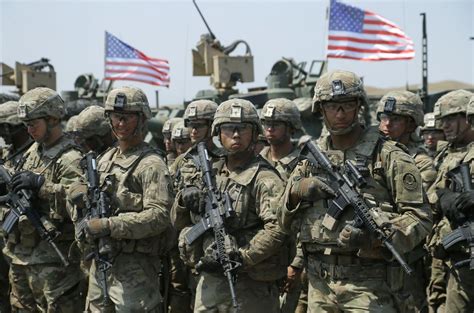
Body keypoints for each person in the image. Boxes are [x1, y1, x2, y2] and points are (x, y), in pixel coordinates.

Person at [279, 70, 433, 312]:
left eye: (347, 105)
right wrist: (297, 191)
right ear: (321, 110)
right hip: (319, 282)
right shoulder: (309, 158)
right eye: (332, 106)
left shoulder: (389, 154)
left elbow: (420, 219)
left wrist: (377, 237)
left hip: (370, 283)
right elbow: (283, 221)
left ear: (359, 106)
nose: (340, 114)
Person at [174, 99, 288, 312]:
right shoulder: (208, 173)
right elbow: (178, 223)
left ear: (255, 134)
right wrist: (184, 200)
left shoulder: (265, 178)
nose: (235, 135)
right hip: (210, 281)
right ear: (217, 134)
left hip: (251, 285)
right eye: (228, 128)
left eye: (243, 128)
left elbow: (277, 229)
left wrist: (242, 257)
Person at [2, 87, 85, 312]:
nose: (29, 131)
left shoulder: (70, 158)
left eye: (34, 124)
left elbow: (80, 206)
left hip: (54, 263)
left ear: (53, 118)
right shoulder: (30, 153)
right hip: (21, 258)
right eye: (26, 125)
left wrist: (41, 186)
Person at [427, 90, 474, 313]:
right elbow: (430, 196)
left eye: (451, 119)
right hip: (448, 248)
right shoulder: (445, 153)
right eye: (443, 120)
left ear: (468, 118)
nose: (445, 126)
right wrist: (442, 196)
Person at [259, 98, 306, 313]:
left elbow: (308, 221)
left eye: (276, 123)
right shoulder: (255, 163)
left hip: (294, 259)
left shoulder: (304, 166)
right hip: (260, 260)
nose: (269, 128)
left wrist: (296, 264)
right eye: (266, 122)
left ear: (290, 127)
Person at [0, 101, 34, 313]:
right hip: (8, 238)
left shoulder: (35, 154)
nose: (2, 134)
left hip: (29, 241)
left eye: (4, 127)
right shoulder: (7, 155)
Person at [377, 90, 437, 191]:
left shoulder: (421, 163)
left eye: (395, 119)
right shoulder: (371, 152)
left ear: (411, 125)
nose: (387, 123)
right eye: (384, 117)